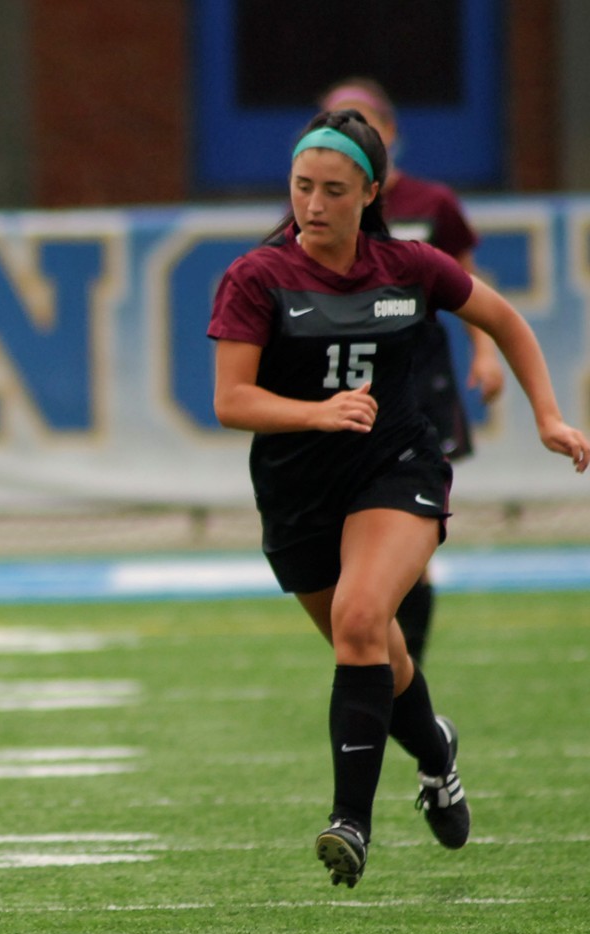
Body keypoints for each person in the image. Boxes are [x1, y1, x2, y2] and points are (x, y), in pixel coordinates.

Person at [207, 110, 589, 888]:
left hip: (397, 465)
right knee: (381, 650)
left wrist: (548, 416)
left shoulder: (409, 265)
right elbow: (232, 400)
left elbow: (505, 319)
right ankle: (437, 752)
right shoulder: (257, 276)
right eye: (302, 186)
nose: (313, 204)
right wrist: (317, 412)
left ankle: (350, 821)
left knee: (360, 620)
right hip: (296, 490)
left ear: (371, 192)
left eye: (333, 190)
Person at [319, 77, 506, 665]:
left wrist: (484, 352)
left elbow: (469, 285)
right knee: (349, 544)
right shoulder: (317, 203)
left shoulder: (431, 204)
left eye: (360, 122)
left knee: (407, 540)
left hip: (420, 379)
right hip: (352, 386)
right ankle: (386, 670)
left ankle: (405, 679)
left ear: (390, 131)